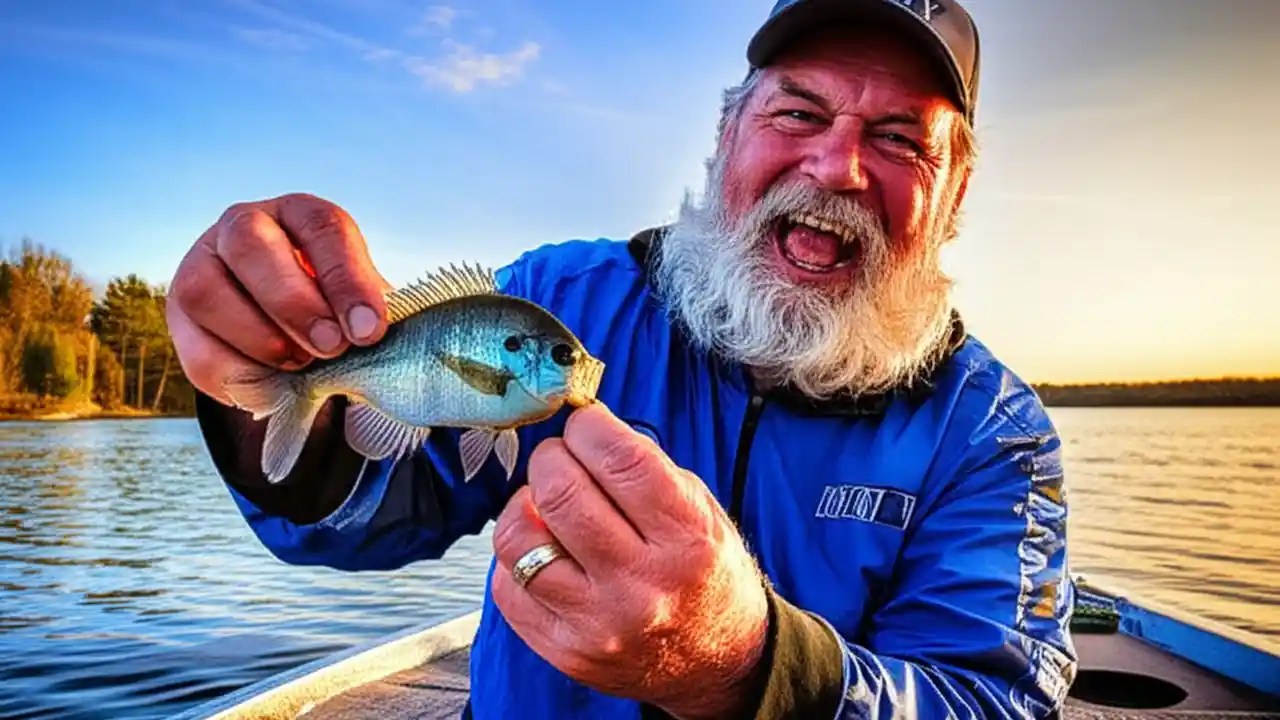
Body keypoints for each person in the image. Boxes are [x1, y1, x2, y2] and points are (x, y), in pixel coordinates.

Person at [168, 0, 1077, 717]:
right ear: (726, 140)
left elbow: (993, 701)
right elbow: (365, 515)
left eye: (900, 141)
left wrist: (750, 667)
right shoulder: (561, 303)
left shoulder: (994, 438)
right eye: (798, 111)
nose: (836, 167)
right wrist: (266, 366)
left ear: (953, 195)